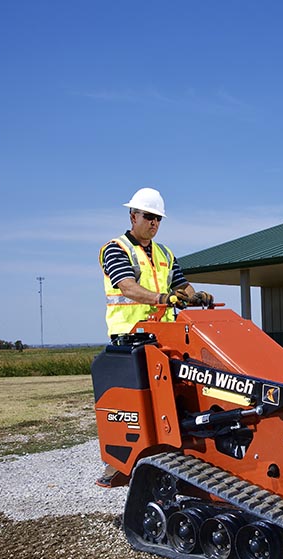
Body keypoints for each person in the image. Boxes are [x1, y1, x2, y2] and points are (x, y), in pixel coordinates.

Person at [95, 187, 213, 488]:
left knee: (182, 395)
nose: (154, 223)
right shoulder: (116, 248)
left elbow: (181, 285)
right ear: (132, 215)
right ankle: (120, 461)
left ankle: (180, 450)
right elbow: (127, 287)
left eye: (158, 218)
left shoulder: (164, 253)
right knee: (137, 405)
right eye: (148, 216)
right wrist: (163, 297)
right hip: (131, 336)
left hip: (167, 337)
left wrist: (195, 295)